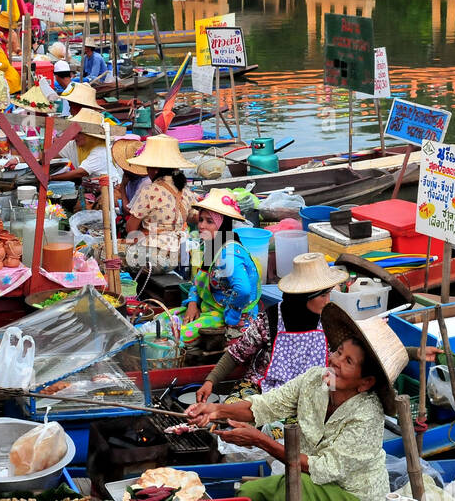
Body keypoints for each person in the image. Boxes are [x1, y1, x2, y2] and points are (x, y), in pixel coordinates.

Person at [186, 307, 418, 501]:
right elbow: (262, 406)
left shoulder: (367, 415)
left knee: (301, 488)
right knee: (252, 491)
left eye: (347, 361)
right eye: (336, 352)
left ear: (365, 382)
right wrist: (216, 409)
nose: (333, 361)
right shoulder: (314, 380)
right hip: (313, 482)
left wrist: (260, 441)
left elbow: (320, 468)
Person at [195, 251, 347, 404]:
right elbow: (237, 353)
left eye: (329, 294)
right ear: (304, 297)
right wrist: (210, 381)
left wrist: (332, 402)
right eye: (323, 296)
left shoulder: (330, 321)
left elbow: (334, 367)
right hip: (263, 388)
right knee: (231, 411)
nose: (327, 301)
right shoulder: (272, 318)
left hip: (306, 396)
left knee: (286, 427)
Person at [176, 190, 261, 343]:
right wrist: (193, 302)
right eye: (201, 219)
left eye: (209, 221)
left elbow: (243, 290)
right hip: (209, 310)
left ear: (223, 224)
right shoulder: (214, 246)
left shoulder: (229, 253)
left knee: (175, 336)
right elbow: (199, 280)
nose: (201, 225)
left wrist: (232, 317)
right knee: (165, 320)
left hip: (229, 317)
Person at [122, 135, 199, 272]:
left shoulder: (150, 191)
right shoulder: (185, 190)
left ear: (155, 169)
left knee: (106, 253)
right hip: (179, 255)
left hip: (155, 259)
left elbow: (130, 228)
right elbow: (193, 217)